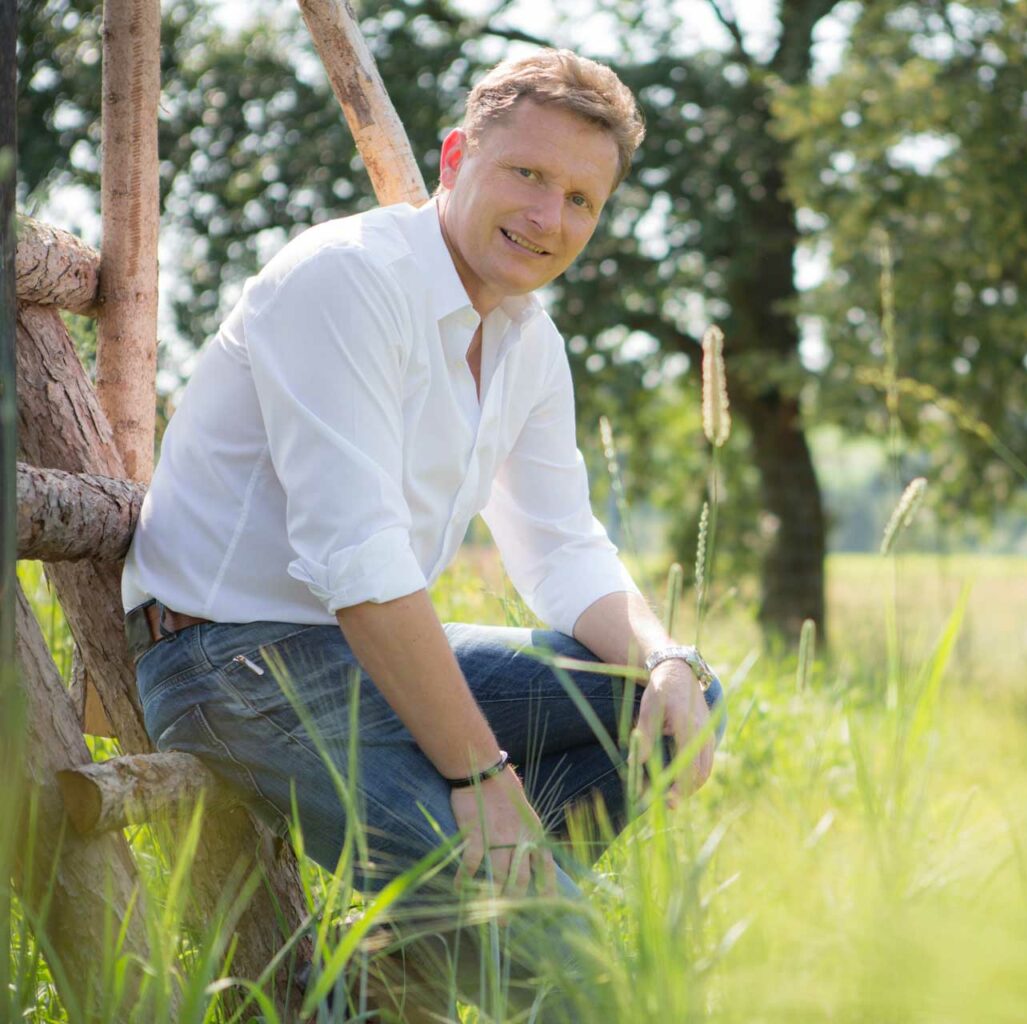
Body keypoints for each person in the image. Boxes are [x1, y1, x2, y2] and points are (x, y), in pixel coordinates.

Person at [122, 48, 723, 1019]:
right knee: (584, 971)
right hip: (228, 660)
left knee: (664, 699)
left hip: (356, 659)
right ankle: (509, 924)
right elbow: (357, 564)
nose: (548, 218)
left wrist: (665, 658)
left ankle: (424, 957)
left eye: (580, 199)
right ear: (454, 159)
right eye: (527, 174)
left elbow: (563, 543)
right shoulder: (348, 282)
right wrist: (481, 775)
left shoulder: (529, 338)